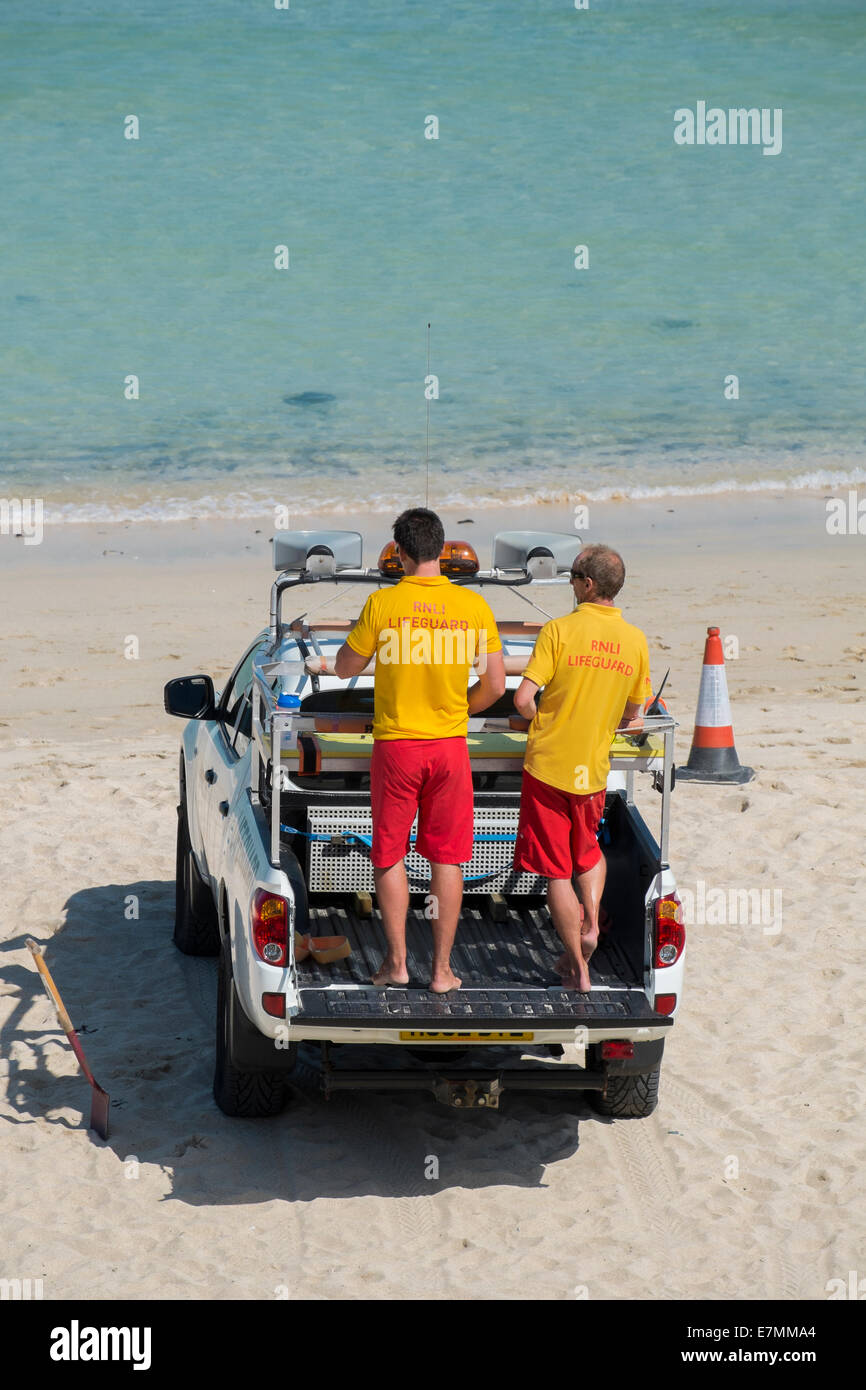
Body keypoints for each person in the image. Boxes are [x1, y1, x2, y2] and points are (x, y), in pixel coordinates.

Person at [332, 508, 505, 993]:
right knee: (446, 859)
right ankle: (443, 971)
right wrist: (457, 711)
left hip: (397, 746)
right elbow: (493, 685)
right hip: (449, 746)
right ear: (444, 550)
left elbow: (346, 668)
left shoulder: (383, 605)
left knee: (389, 855)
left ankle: (396, 963)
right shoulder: (473, 608)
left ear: (400, 553)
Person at [512, 544, 650, 992]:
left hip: (549, 766)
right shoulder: (635, 640)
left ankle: (577, 967)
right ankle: (592, 922)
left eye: (572, 577)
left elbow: (522, 699)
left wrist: (541, 719)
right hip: (592, 768)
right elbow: (636, 715)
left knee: (555, 871)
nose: (570, 585)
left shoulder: (559, 631)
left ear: (587, 585)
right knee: (587, 851)